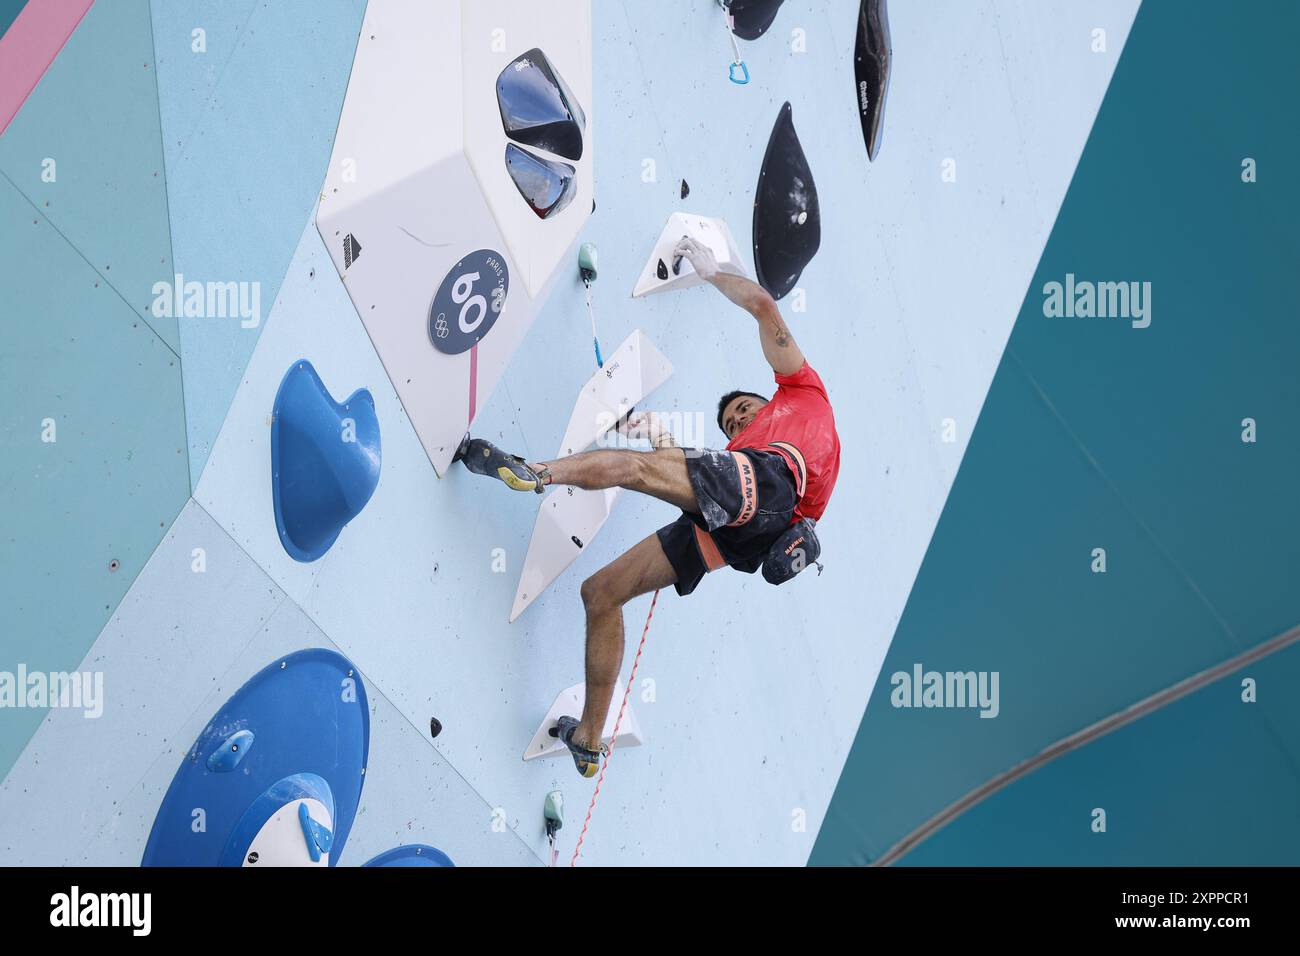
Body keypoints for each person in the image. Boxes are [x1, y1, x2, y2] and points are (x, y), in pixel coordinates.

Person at [457, 237, 840, 776]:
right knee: (601, 593)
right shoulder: (742, 453)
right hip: (738, 536)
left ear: (766, 399)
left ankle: (535, 472)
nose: (737, 422)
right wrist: (659, 435)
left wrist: (712, 273)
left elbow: (763, 307)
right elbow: (713, 491)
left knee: (637, 470)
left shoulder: (802, 393)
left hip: (768, 487)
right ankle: (589, 740)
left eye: (742, 411)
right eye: (731, 424)